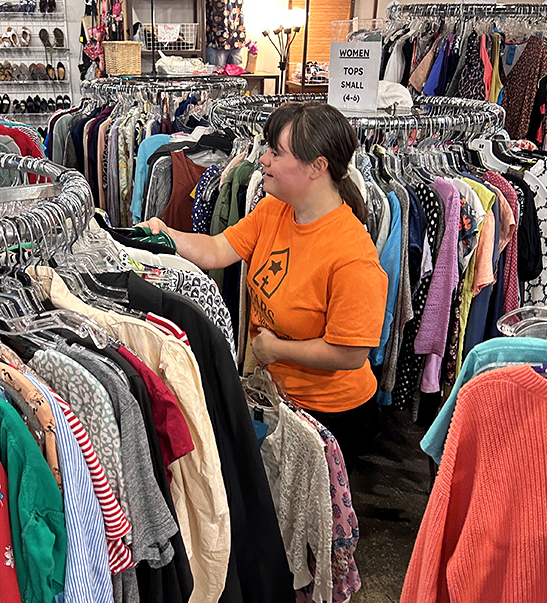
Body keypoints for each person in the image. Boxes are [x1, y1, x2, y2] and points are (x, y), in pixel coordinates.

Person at [141, 102, 388, 471]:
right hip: (277, 398)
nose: (263, 161)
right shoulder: (275, 209)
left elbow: (351, 354)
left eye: (276, 152)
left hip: (331, 416)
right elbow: (218, 249)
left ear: (317, 167)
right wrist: (165, 235)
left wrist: (276, 348)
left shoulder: (352, 255)